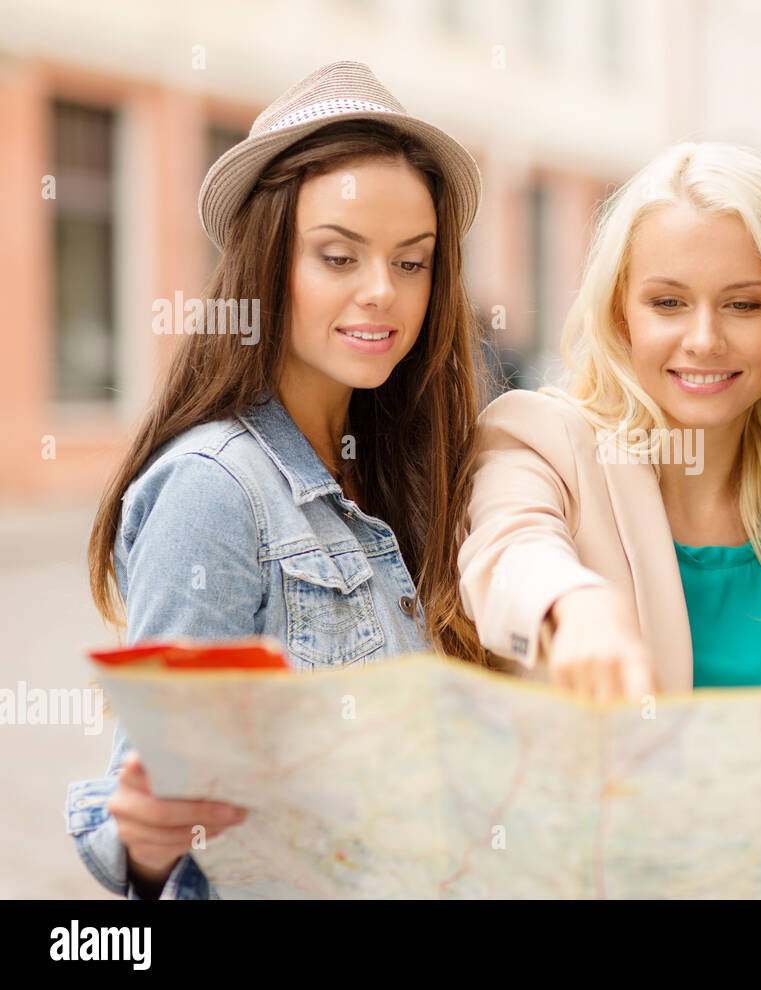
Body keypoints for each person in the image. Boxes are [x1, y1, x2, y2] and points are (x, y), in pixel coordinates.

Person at [67, 60, 485, 899]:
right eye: (339, 257)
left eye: (412, 262)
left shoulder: (406, 470)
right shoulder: (213, 489)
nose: (382, 293)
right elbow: (156, 809)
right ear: (267, 264)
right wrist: (146, 838)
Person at [458, 143, 761, 699]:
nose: (703, 340)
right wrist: (577, 606)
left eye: (743, 305)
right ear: (620, 313)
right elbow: (506, 552)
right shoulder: (545, 443)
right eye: (668, 303)